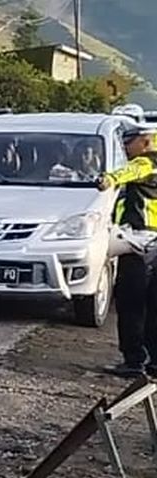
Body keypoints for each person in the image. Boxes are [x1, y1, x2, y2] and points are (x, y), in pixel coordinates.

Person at [98, 124, 157, 377]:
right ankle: (153, 362)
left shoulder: (147, 162)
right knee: (153, 305)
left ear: (145, 141)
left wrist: (109, 179)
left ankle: (134, 361)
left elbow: (130, 171)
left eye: (128, 141)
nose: (124, 147)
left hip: (140, 243)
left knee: (131, 302)